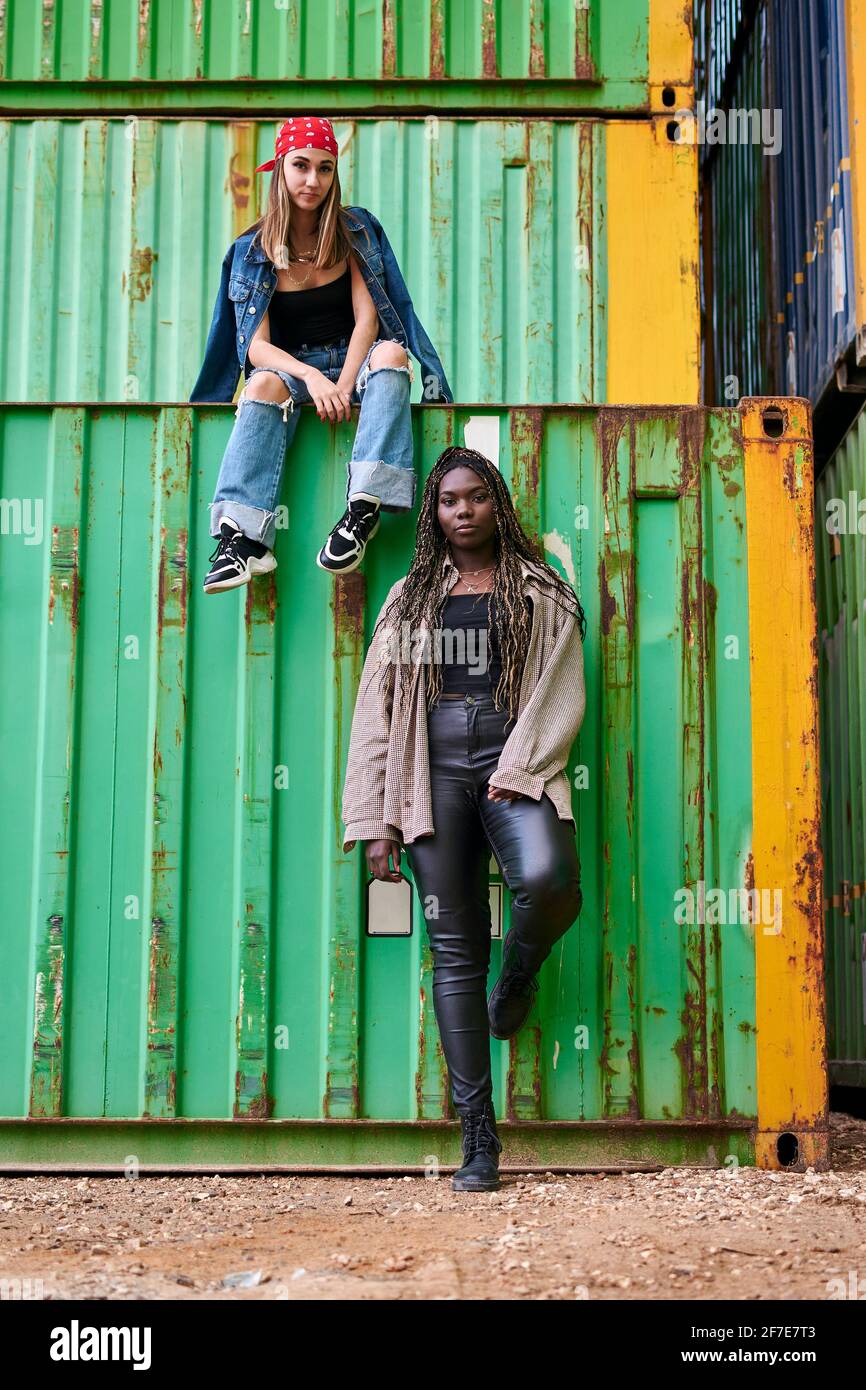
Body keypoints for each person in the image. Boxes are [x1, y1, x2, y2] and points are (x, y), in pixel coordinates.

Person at [341, 446, 587, 1192]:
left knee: (549, 882)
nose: (464, 510)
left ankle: (518, 974)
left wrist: (520, 766)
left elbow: (561, 685)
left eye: (476, 497)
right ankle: (478, 1139)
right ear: (435, 514)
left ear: (496, 503)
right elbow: (377, 709)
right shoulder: (411, 597)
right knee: (453, 949)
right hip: (433, 768)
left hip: (516, 762)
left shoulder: (540, 588)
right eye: (449, 501)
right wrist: (376, 817)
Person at [189, 116, 453, 591]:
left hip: (350, 359)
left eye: (325, 168)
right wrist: (312, 379)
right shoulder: (252, 250)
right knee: (262, 382)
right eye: (301, 166)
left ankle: (362, 509)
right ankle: (244, 541)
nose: (313, 180)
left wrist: (346, 381)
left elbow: (369, 319)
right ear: (281, 171)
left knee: (393, 354)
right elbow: (256, 346)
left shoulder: (355, 230)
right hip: (292, 368)